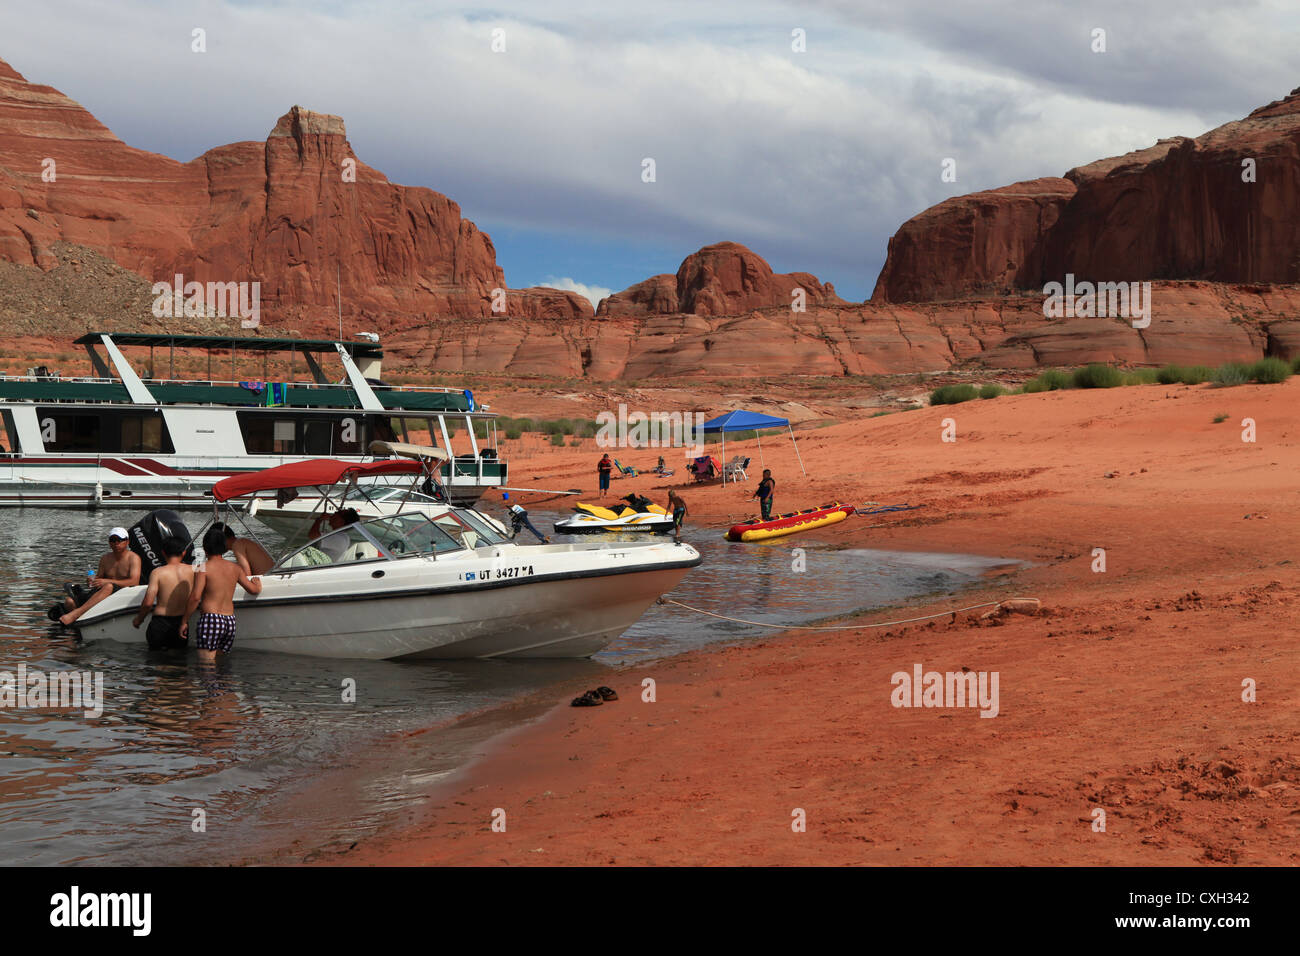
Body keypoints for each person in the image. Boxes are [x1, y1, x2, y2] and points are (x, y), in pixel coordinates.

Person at [183, 526, 262, 662]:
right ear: (224, 547)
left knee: (206, 666)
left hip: (211, 619)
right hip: (229, 621)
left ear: (205, 548)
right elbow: (253, 590)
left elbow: (196, 597)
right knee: (222, 665)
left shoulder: (203, 568)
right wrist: (258, 584)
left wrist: (184, 621)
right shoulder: (235, 568)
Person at [59, 526, 142, 626]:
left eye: (119, 540)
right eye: (113, 540)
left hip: (120, 593)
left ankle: (76, 615)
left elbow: (135, 582)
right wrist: (92, 580)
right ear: (109, 542)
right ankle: (80, 624)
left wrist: (107, 581)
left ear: (127, 541)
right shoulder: (105, 558)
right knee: (69, 602)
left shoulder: (134, 558)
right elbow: (99, 578)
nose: (116, 543)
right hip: (101, 592)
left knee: (109, 586)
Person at [131, 536, 194, 650]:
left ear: (163, 553)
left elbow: (148, 603)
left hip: (160, 623)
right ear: (183, 553)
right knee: (179, 662)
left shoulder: (157, 573)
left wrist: (139, 620)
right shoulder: (194, 570)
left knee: (156, 662)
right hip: (181, 623)